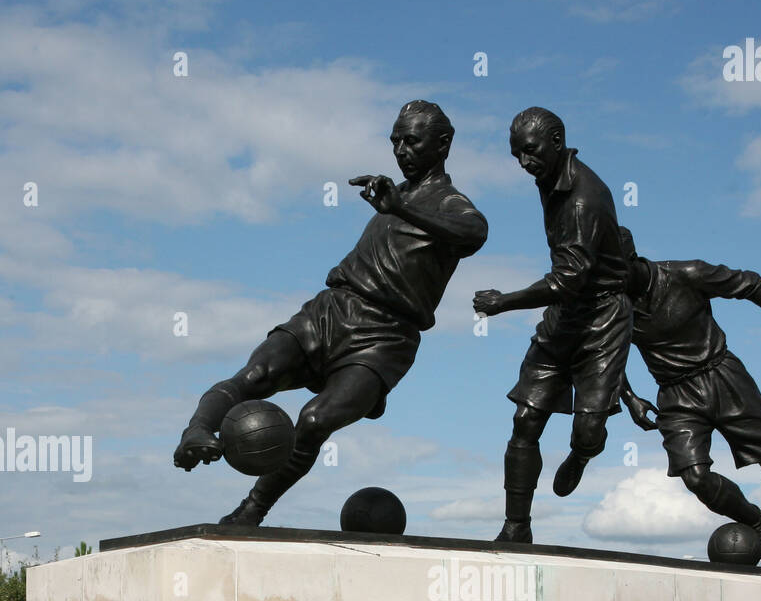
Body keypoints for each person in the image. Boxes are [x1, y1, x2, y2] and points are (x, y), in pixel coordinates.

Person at [173, 100, 487, 525]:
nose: (401, 150)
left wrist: (401, 208)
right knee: (255, 376)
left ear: (443, 142)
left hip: (386, 338)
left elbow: (474, 233)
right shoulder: (395, 195)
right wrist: (396, 203)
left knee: (315, 419)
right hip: (332, 309)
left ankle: (252, 509)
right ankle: (195, 431)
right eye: (395, 141)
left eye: (411, 141)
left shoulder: (449, 203)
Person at [615, 226, 761, 570]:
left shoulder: (686, 273)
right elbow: (602, 352)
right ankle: (757, 521)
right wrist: (629, 397)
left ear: (630, 259)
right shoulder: (611, 303)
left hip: (724, 378)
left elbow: (750, 283)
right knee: (695, 477)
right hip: (676, 394)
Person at [472, 108, 630, 544]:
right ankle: (516, 526)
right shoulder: (550, 178)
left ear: (557, 141)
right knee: (525, 421)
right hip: (564, 316)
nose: (524, 163)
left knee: (589, 430)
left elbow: (569, 278)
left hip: (601, 319)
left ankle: (580, 454)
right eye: (516, 154)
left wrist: (504, 302)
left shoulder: (584, 198)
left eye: (531, 151)